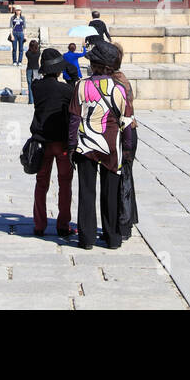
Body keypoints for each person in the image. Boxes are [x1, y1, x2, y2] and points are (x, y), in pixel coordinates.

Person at [67, 36, 134, 250]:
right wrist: (128, 149)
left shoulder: (81, 86)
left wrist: (71, 146)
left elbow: (74, 119)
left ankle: (86, 239)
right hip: (112, 146)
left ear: (97, 66)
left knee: (86, 191)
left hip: (85, 145)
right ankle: (112, 237)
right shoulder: (119, 89)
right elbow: (127, 122)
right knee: (110, 191)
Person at [30, 47, 75, 238]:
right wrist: (71, 74)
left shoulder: (36, 87)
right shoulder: (66, 90)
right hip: (62, 142)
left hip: (42, 142)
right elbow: (75, 95)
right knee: (65, 184)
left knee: (41, 183)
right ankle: (63, 224)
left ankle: (39, 224)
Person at [110, 41, 139, 242]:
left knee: (122, 178)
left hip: (124, 131)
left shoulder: (116, 82)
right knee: (126, 176)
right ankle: (127, 220)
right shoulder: (122, 79)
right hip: (129, 130)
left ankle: (123, 223)